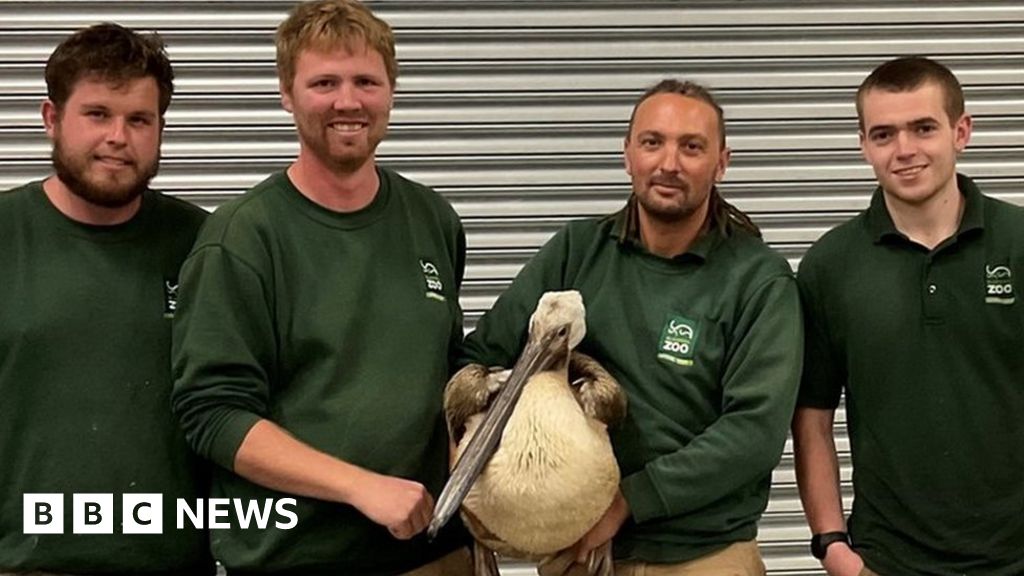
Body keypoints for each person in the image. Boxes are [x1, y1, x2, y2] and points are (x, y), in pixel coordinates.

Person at [170, 1, 470, 574]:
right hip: (299, 556)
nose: (348, 101)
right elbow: (213, 412)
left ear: (391, 91)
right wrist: (361, 487)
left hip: (434, 552)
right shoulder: (242, 239)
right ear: (287, 94)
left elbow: (444, 370)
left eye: (366, 81)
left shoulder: (432, 218)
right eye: (324, 82)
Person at [460, 79, 803, 575]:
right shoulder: (576, 252)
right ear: (627, 154)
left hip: (702, 555)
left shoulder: (758, 280)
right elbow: (481, 357)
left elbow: (754, 432)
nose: (669, 163)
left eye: (692, 147)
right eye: (652, 142)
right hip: (580, 553)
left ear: (721, 162)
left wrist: (625, 502)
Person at [792, 56, 1024, 576]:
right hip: (886, 560)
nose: (904, 151)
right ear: (863, 145)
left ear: (961, 131)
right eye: (884, 134)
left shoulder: (1019, 243)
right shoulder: (831, 264)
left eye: (923, 128)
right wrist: (832, 546)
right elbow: (812, 417)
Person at [0, 23, 213, 575]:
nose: (119, 136)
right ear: (52, 118)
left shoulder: (205, 246)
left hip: (173, 562)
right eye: (97, 114)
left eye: (139, 119)